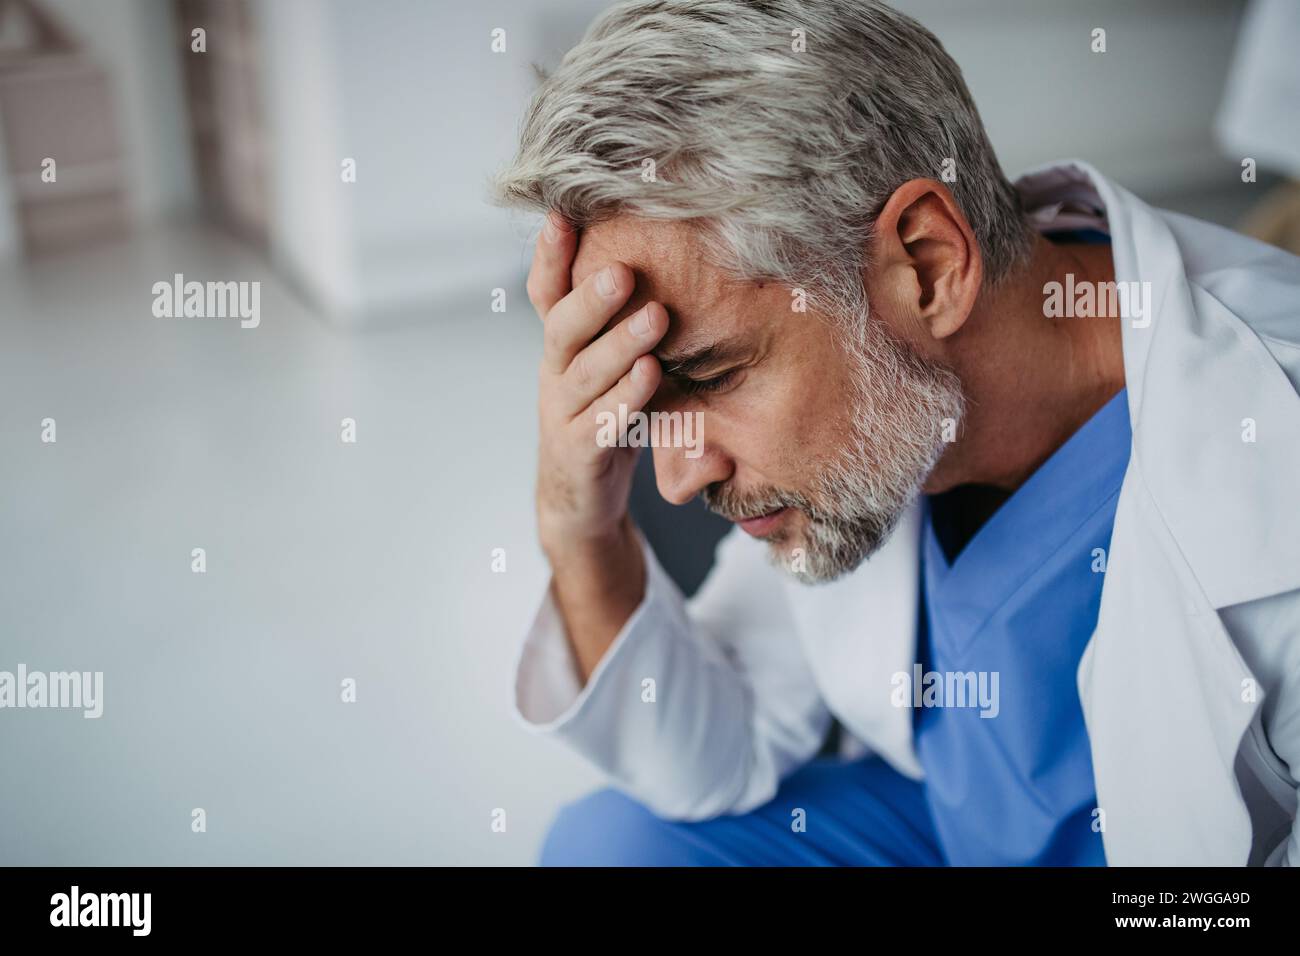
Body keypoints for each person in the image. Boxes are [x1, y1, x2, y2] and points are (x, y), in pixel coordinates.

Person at [491, 0, 1300, 866]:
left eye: (716, 375)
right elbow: (717, 748)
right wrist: (579, 526)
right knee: (614, 847)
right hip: (950, 829)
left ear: (926, 264)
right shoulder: (890, 422)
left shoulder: (1268, 449)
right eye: (649, 404)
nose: (678, 482)